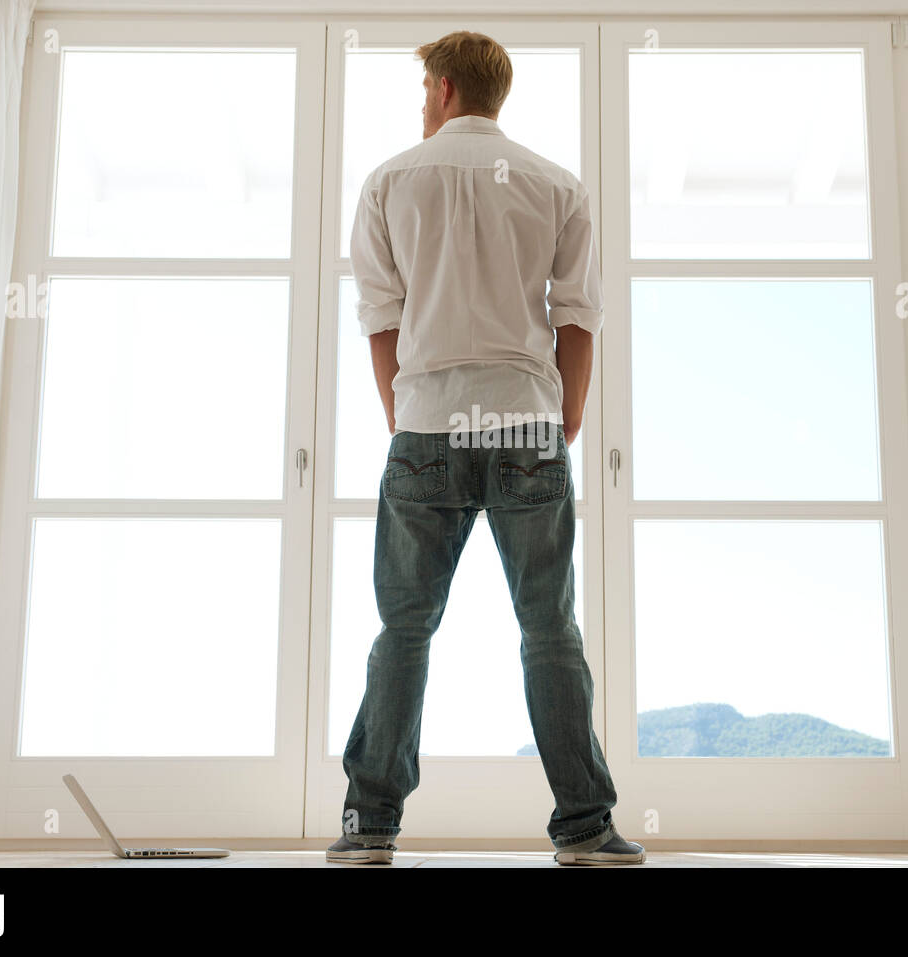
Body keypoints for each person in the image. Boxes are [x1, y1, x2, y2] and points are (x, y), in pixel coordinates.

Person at [327, 31, 644, 867]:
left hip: (426, 423)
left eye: (420, 90)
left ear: (439, 89)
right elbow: (578, 314)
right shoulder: (555, 185)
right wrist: (567, 412)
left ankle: (370, 825)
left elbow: (380, 317)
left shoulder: (391, 181)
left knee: (404, 627)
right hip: (526, 424)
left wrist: (406, 411)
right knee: (550, 630)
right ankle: (586, 827)